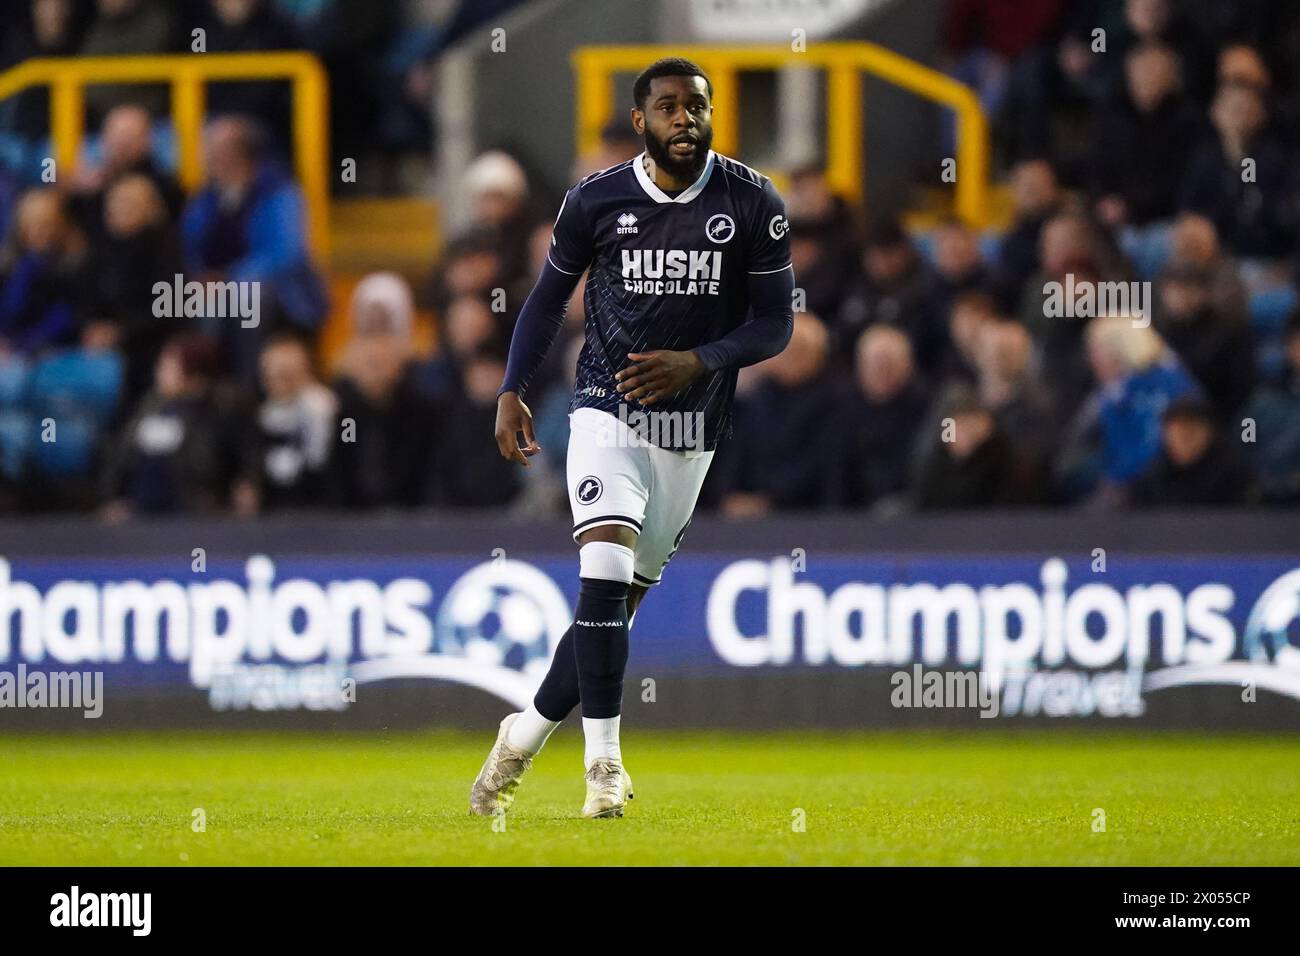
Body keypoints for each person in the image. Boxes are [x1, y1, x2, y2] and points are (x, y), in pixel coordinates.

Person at [470, 58, 794, 820]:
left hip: (691, 428)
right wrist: (511, 388)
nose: (686, 118)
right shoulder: (595, 199)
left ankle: (521, 735)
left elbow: (775, 323)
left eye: (698, 106)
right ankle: (605, 768)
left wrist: (700, 362)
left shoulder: (752, 201)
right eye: (670, 107)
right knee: (604, 573)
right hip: (604, 410)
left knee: (609, 614)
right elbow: (548, 300)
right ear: (641, 120)